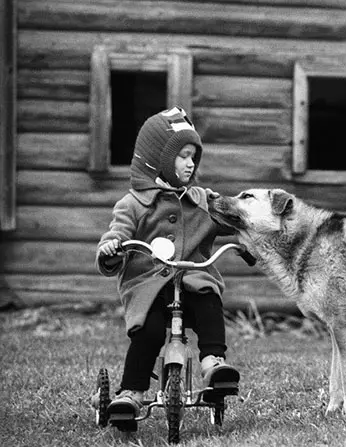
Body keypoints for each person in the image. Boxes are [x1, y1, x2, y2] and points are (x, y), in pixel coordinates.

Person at [96, 106, 238, 418]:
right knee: (147, 332)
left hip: (192, 280)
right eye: (183, 156)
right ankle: (131, 392)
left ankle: (213, 363)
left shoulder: (201, 200)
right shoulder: (132, 204)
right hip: (149, 286)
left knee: (209, 302)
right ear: (157, 159)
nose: (191, 164)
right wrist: (111, 248)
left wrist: (246, 238)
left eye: (193, 157)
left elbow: (232, 219)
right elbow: (116, 234)